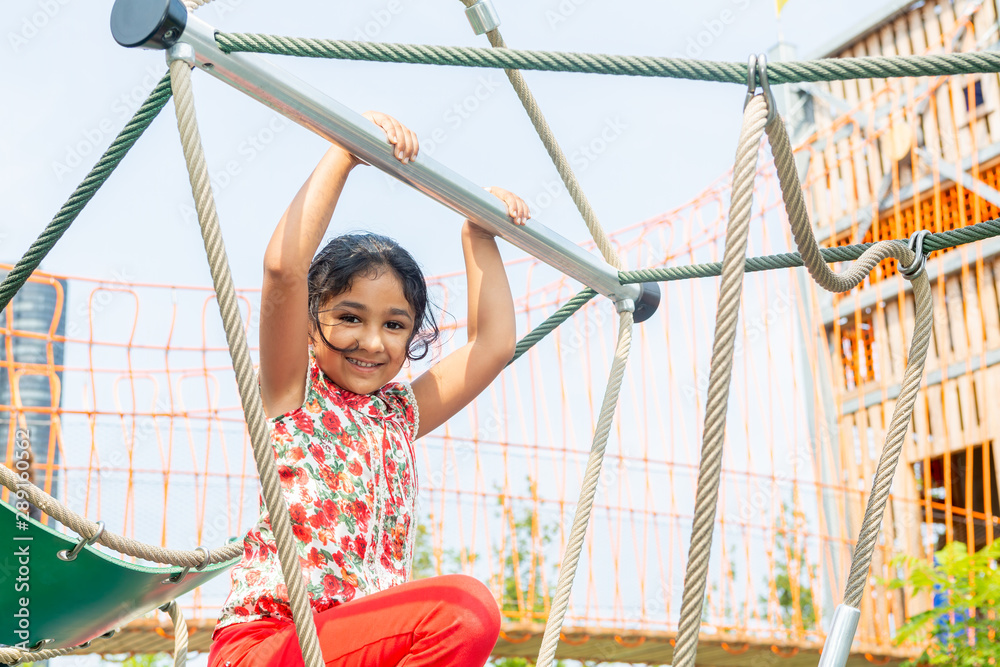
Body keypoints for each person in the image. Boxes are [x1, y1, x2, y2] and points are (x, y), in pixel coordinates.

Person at [206, 111, 529, 667]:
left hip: (353, 645)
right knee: (463, 609)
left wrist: (479, 234)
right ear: (310, 323)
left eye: (395, 325)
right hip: (270, 644)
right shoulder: (293, 393)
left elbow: (491, 346)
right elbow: (285, 271)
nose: (372, 342)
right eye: (350, 317)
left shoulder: (399, 414)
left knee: (459, 617)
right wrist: (346, 152)